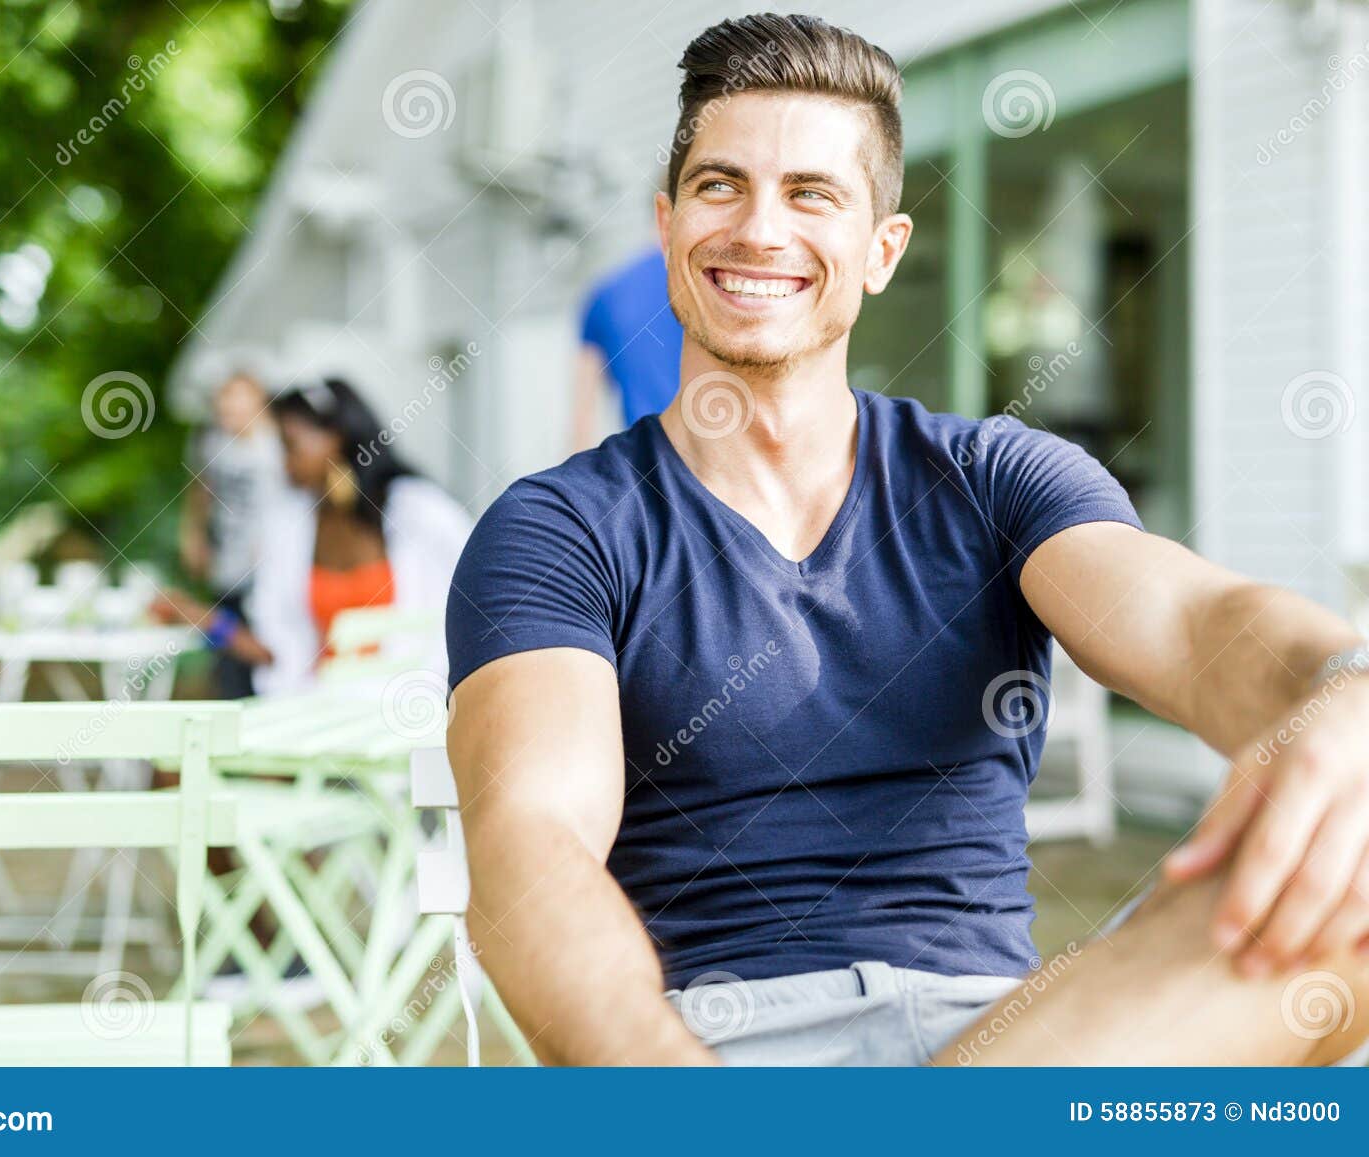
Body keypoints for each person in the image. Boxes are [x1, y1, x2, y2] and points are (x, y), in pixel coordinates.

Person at [444, 14, 1369, 1066]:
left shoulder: (995, 479)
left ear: (880, 250)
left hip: (1015, 1049)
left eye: (810, 194)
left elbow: (1203, 622)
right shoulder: (559, 528)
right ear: (665, 226)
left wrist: (1346, 689)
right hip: (722, 1056)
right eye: (719, 185)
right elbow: (532, 845)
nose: (756, 229)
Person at [157, 377, 472, 693]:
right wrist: (203, 619)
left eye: (290, 446)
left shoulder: (419, 511)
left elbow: (482, 597)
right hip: (321, 709)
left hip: (411, 709)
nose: (284, 463)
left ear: (335, 438)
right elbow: (277, 652)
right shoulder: (289, 526)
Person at [177, 369, 284, 698]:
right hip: (228, 562)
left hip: (268, 568)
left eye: (239, 401)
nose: (230, 410)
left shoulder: (275, 446)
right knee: (225, 643)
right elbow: (201, 490)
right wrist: (193, 535)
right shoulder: (213, 443)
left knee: (264, 644)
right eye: (224, 402)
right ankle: (234, 706)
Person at [573, 245, 684, 450]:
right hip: (720, 460)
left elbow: (583, 420)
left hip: (643, 464)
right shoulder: (713, 286)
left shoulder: (605, 294)